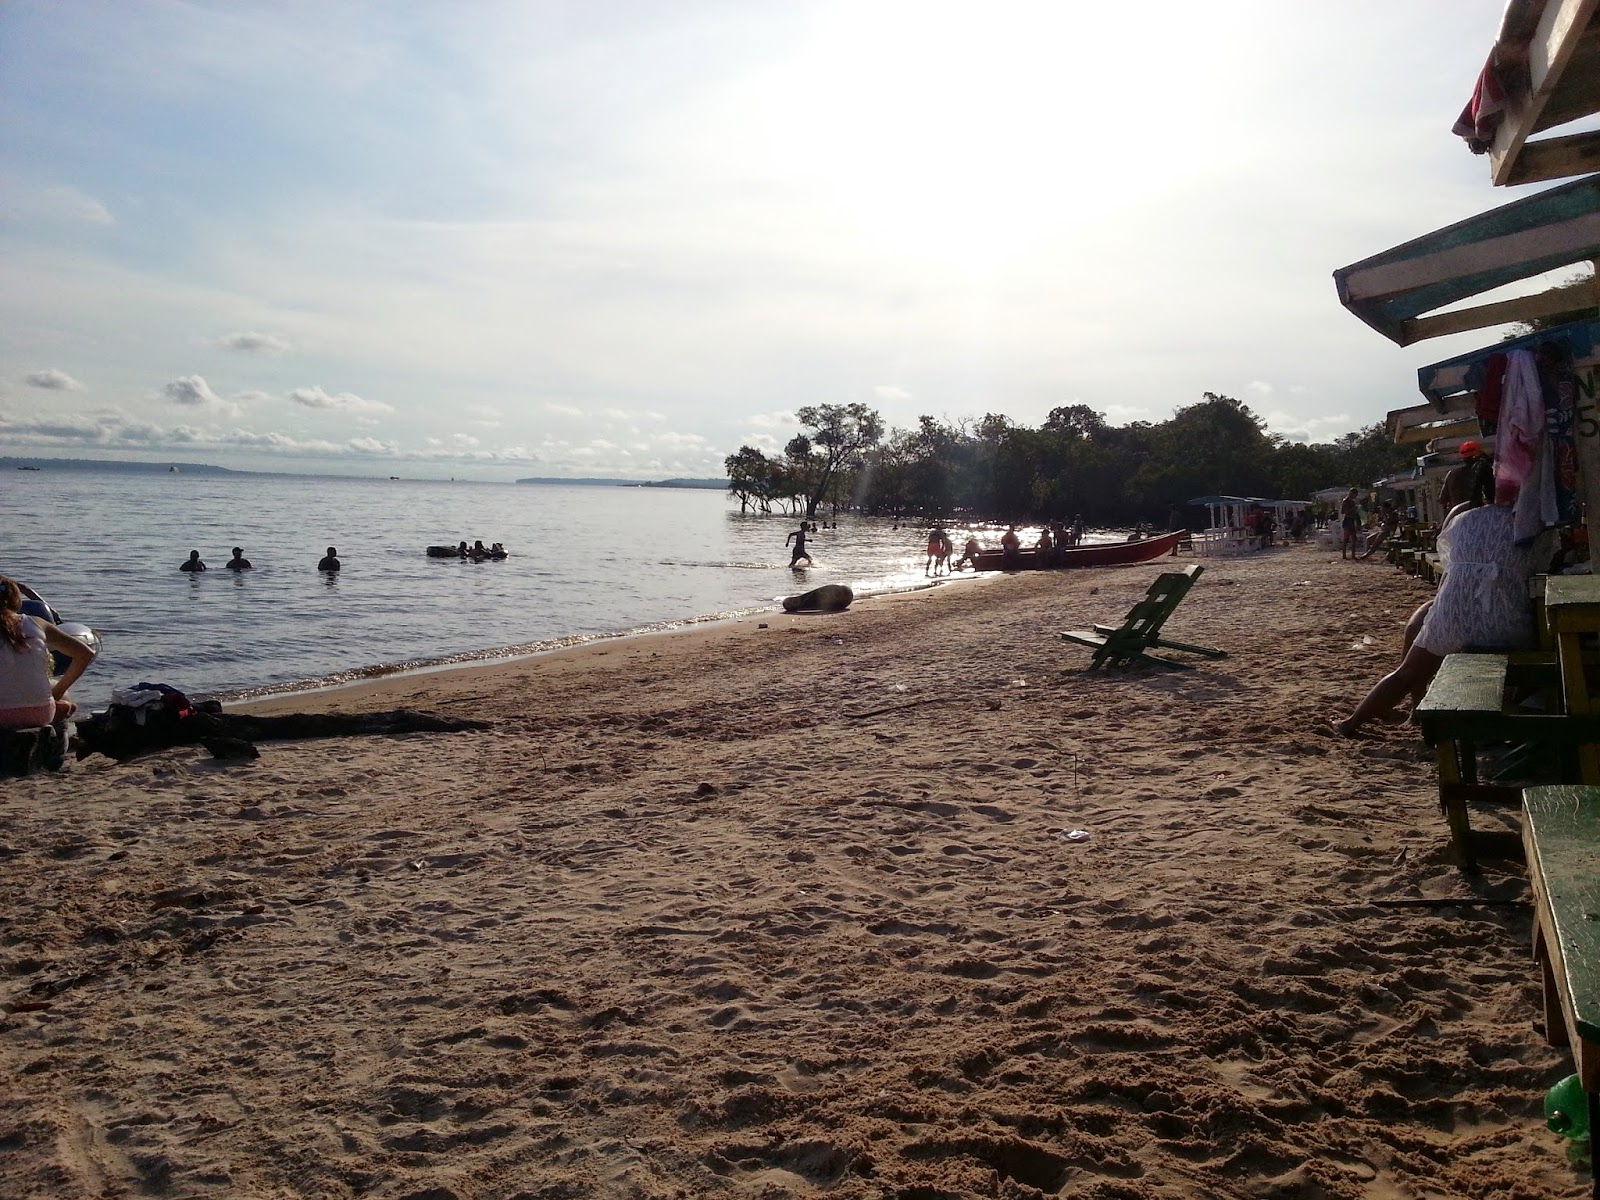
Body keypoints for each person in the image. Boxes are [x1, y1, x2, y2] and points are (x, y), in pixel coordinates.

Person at [1337, 497, 1548, 735]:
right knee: (1545, 644)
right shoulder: (1532, 521)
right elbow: (1542, 567)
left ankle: (1353, 722)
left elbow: (1449, 563)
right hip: (1506, 625)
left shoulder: (1462, 515)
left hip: (1454, 619)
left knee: (1406, 671)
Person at [0, 576, 96, 730]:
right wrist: (58, 692)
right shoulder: (36, 623)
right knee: (53, 685)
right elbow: (86, 654)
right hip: (41, 714)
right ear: (16, 602)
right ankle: (57, 720)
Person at [1438, 440, 1490, 510]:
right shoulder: (1485, 473)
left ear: (1463, 457)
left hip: (1459, 517)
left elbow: (1442, 500)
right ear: (1479, 455)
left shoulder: (1452, 475)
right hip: (1481, 516)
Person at [1339, 488, 1361, 560]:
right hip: (1347, 520)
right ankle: (1344, 555)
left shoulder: (1352, 502)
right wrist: (1352, 509)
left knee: (1354, 538)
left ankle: (1353, 555)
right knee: (1346, 538)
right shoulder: (1345, 501)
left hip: (1351, 520)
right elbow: (1343, 512)